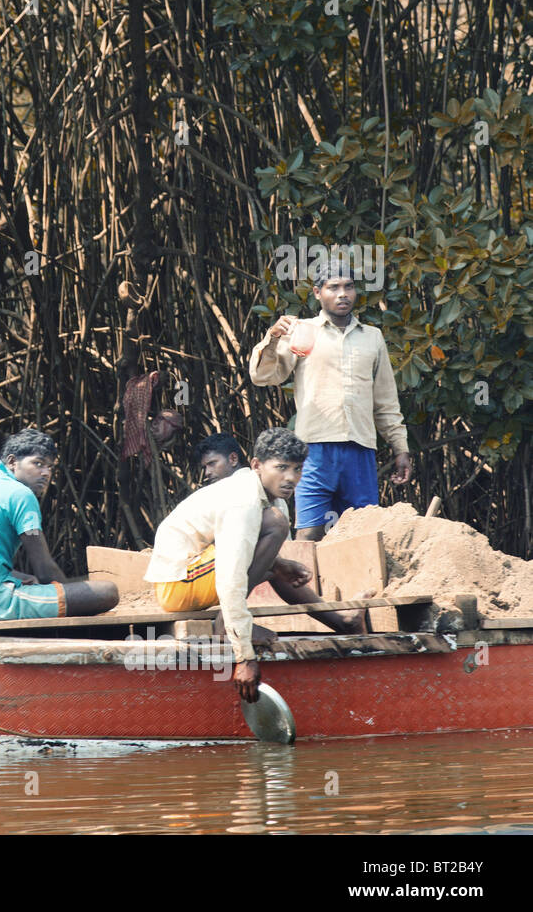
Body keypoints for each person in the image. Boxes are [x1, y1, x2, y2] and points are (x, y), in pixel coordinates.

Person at [144, 428, 368, 703]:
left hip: (198, 573)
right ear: (256, 466)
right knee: (273, 529)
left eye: (297, 469)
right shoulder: (244, 501)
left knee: (277, 558)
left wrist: (277, 565)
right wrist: (244, 657)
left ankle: (343, 622)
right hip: (177, 583)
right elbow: (230, 577)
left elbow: (254, 558)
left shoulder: (274, 500)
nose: (290, 478)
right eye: (281, 468)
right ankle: (225, 627)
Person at [248, 259, 411, 541]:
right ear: (317, 293)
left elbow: (385, 402)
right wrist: (272, 339)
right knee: (309, 532)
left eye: (349, 287)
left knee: (363, 534)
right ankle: (304, 586)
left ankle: (362, 586)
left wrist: (400, 448)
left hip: (360, 449)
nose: (342, 294)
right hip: (313, 451)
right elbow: (263, 376)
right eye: (333, 287)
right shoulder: (302, 332)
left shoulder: (372, 338)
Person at [0, 429, 118, 624]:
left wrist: (19, 577)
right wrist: (71, 595)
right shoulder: (21, 494)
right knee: (106, 591)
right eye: (38, 463)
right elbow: (44, 569)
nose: (46, 473)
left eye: (50, 467)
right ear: (12, 462)